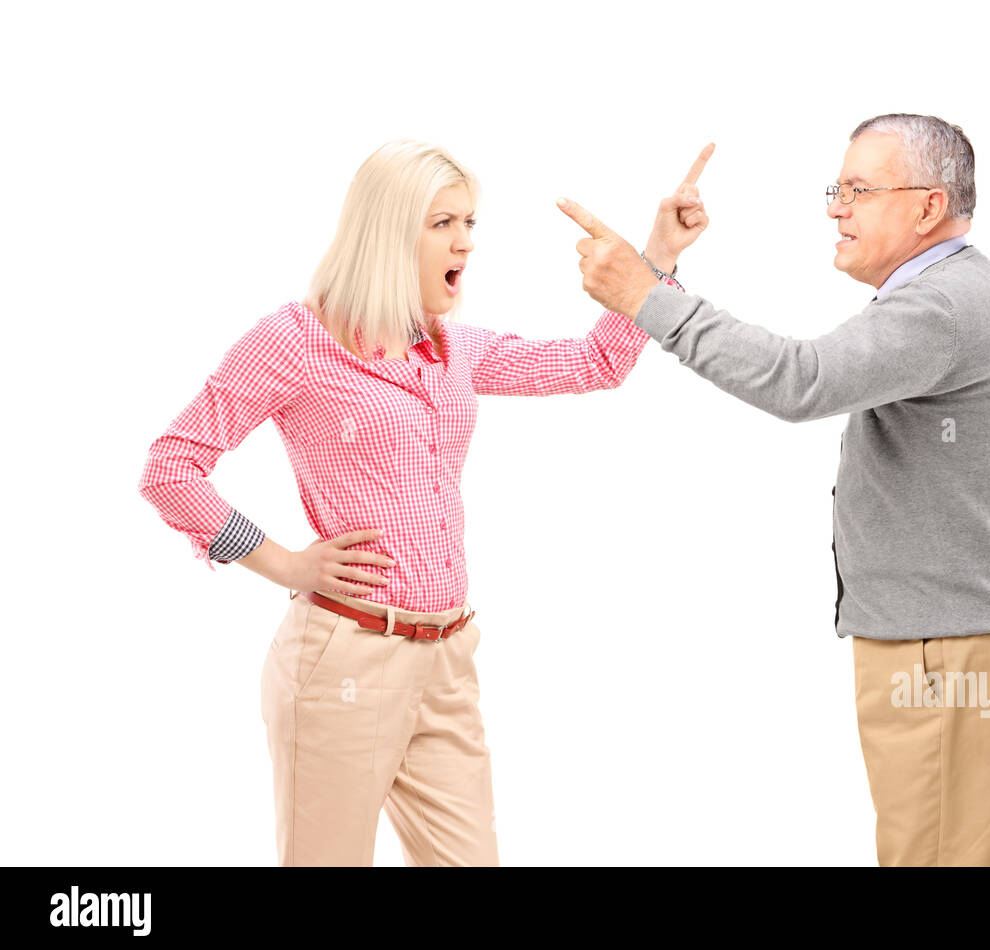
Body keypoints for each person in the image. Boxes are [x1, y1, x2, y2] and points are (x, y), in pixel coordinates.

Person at [138, 138, 713, 866]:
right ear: (388, 229)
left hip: (446, 657)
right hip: (344, 662)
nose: (466, 242)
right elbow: (172, 467)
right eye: (444, 223)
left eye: (470, 223)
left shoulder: (452, 348)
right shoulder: (293, 340)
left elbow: (594, 363)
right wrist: (284, 564)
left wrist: (657, 255)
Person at [557, 114, 990, 866]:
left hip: (953, 661)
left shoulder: (939, 307)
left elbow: (800, 382)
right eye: (837, 188)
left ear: (927, 207)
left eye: (859, 190)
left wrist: (647, 293)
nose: (837, 207)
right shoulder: (976, 292)